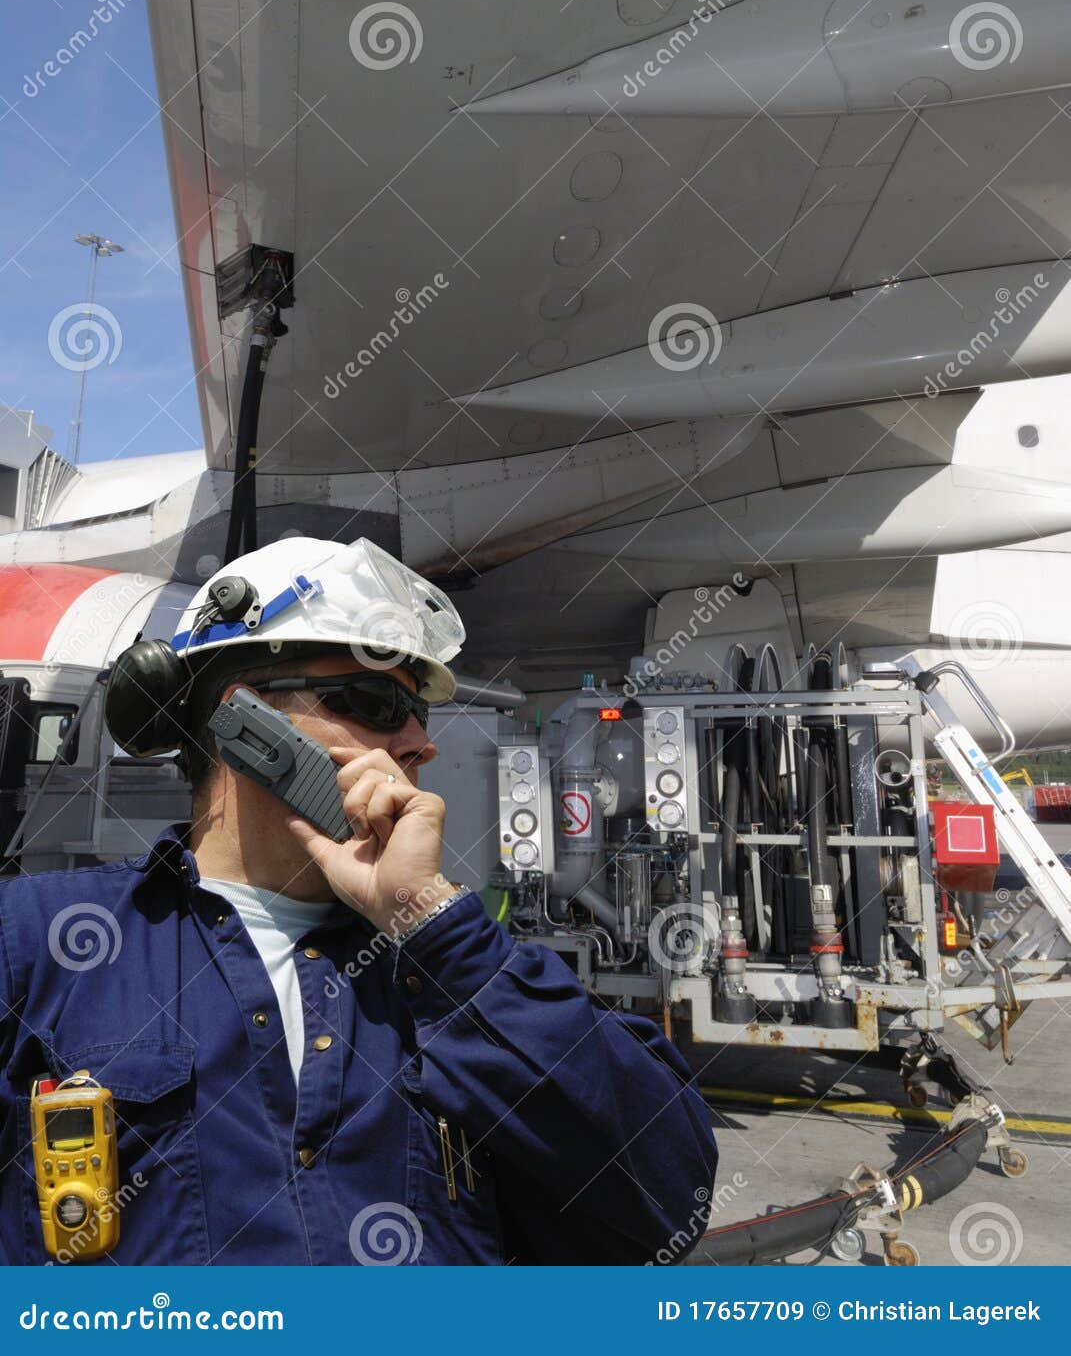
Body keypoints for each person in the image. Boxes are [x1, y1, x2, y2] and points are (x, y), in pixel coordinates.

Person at [0, 537, 717, 1265]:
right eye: (374, 702)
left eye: (419, 715)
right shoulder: (37, 941)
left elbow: (663, 1208)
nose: (415, 742)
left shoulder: (459, 972)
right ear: (246, 723)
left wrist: (430, 923)